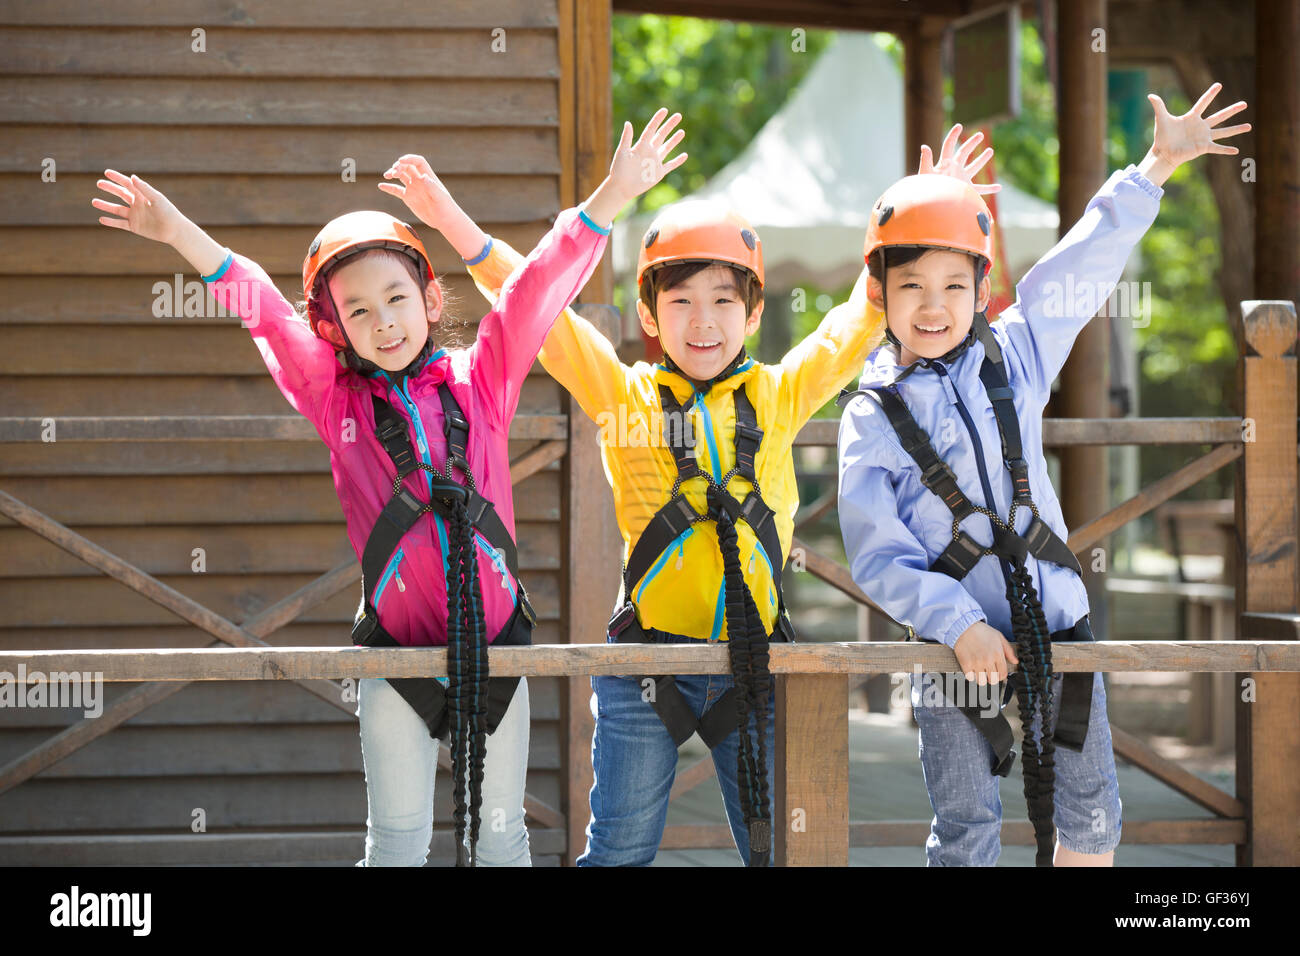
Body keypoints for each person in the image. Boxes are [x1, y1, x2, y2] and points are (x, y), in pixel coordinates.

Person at [381, 119, 997, 865]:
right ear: (648, 313)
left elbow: (861, 318)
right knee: (618, 850)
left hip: (756, 662)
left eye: (723, 302)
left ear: (756, 313)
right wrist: (450, 220)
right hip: (646, 665)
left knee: (781, 850)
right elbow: (533, 302)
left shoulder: (779, 394)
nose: (703, 321)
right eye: (681, 302)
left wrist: (937, 205)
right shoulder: (621, 393)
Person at [91, 110, 685, 866]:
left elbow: (535, 291)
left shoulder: (482, 382)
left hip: (497, 650)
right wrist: (179, 232)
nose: (385, 320)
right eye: (359, 311)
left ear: (432, 301)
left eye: (398, 298)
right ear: (335, 329)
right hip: (395, 660)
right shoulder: (333, 397)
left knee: (503, 838)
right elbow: (266, 316)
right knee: (397, 844)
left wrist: (609, 198)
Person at [836, 83, 1249, 866]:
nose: (933, 306)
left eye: (955, 285)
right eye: (911, 287)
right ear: (880, 294)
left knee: (1091, 815)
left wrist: (1155, 167)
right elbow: (876, 553)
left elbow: (1080, 266)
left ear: (982, 290)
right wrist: (958, 625)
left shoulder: (1016, 353)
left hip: (1053, 619)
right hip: (944, 645)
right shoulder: (871, 412)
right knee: (966, 829)